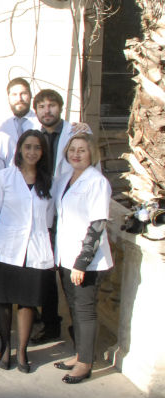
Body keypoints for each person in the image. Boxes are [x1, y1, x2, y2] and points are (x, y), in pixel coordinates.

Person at [0, 130, 55, 373]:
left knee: (27, 303)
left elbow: (48, 220)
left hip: (35, 249)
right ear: (19, 149)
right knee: (3, 301)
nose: (32, 152)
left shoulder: (49, 181)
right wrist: (5, 236)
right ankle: (5, 347)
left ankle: (22, 351)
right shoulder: (4, 177)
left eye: (37, 148)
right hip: (6, 248)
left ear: (42, 152)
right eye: (28, 147)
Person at [52, 133, 113, 384]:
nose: (76, 154)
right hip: (66, 256)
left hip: (85, 261)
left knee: (85, 310)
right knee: (74, 308)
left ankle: (86, 364)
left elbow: (97, 224)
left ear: (92, 154)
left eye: (82, 150)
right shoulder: (66, 178)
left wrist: (82, 262)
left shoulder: (97, 182)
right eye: (72, 149)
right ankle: (79, 354)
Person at [32, 88, 77, 343]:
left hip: (69, 214)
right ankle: (51, 325)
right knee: (46, 275)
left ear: (60, 108)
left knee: (70, 276)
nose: (47, 110)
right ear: (36, 111)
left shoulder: (76, 135)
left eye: (51, 105)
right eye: (42, 106)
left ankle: (77, 326)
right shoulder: (35, 137)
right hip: (42, 211)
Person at [0, 78, 39, 147]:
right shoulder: (2, 127)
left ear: (30, 95)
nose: (19, 99)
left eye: (23, 93)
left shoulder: (40, 124)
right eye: (14, 94)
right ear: (8, 98)